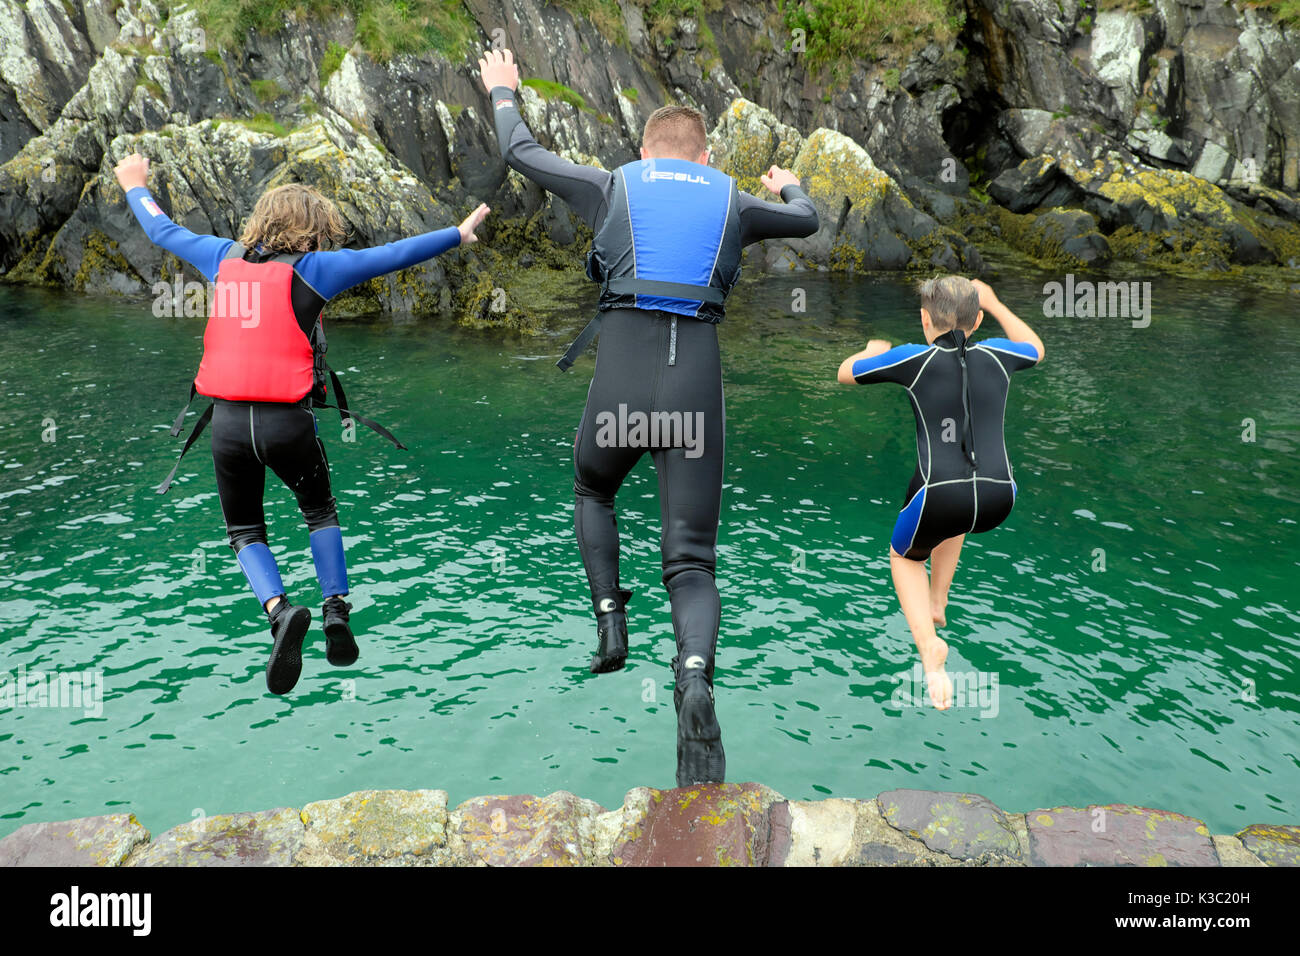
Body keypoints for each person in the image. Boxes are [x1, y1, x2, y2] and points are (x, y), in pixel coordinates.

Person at [477, 49, 820, 786]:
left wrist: (504, 88)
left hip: (622, 384)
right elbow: (807, 218)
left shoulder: (610, 186)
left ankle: (609, 620)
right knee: (691, 559)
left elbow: (519, 150)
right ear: (706, 156)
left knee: (592, 489)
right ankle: (693, 678)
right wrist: (787, 181)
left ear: (643, 152)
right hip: (695, 384)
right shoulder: (733, 199)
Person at [113, 152, 489, 695]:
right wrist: (456, 234)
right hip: (287, 426)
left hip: (227, 427)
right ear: (312, 237)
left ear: (262, 225)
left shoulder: (221, 257)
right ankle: (336, 610)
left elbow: (161, 228)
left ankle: (279, 610)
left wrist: (134, 184)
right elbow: (391, 255)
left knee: (244, 530)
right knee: (318, 510)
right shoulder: (315, 270)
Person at [837, 276, 1044, 709]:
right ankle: (939, 597)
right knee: (955, 507)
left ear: (925, 319)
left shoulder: (915, 359)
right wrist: (997, 300)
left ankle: (930, 653)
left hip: (942, 496)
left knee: (904, 556)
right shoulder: (1000, 354)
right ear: (979, 320)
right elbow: (1036, 348)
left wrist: (873, 351)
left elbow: (846, 374)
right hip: (999, 497)